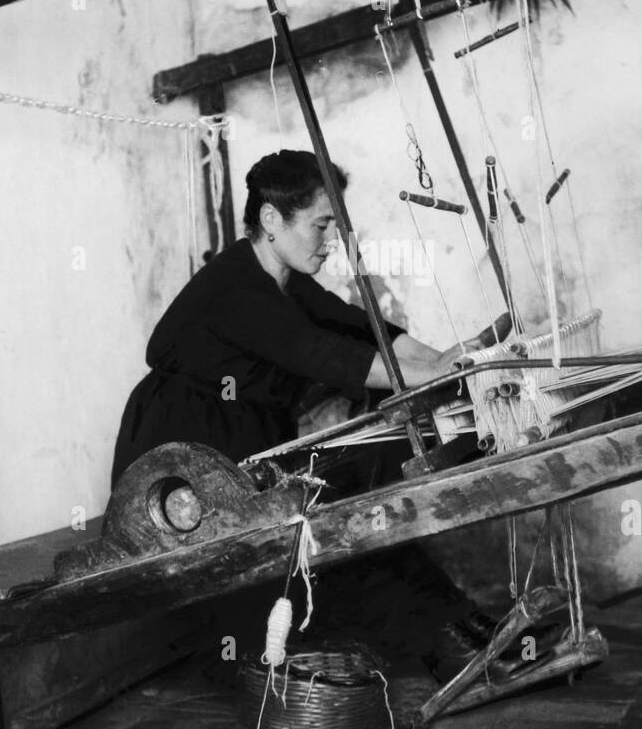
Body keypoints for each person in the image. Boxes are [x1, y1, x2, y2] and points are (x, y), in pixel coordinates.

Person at [111, 148, 500, 486]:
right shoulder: (236, 287)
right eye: (321, 224)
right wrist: (440, 377)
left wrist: (441, 360)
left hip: (238, 441)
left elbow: (356, 327)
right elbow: (324, 354)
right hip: (181, 451)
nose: (333, 239)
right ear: (271, 219)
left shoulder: (286, 280)